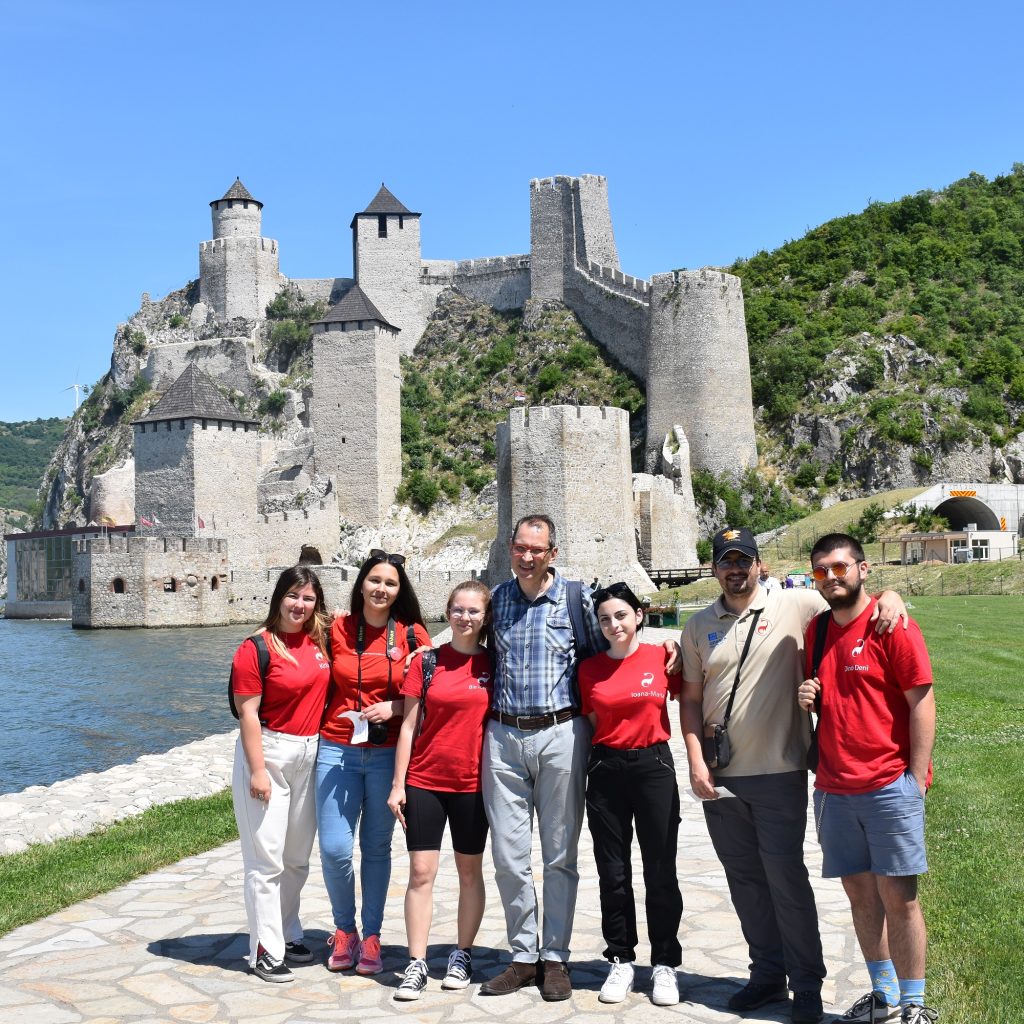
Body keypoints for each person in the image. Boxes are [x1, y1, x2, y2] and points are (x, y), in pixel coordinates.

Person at [680, 526, 908, 1024]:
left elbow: (850, 601)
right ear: (714, 569)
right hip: (721, 775)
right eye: (725, 562)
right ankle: (766, 974)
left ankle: (806, 983)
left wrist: (890, 595)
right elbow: (691, 700)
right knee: (745, 882)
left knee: (786, 880)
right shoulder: (698, 625)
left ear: (759, 565)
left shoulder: (796, 604)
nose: (735, 569)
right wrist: (695, 760)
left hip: (780, 770)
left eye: (743, 560)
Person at [480, 513, 680, 1001]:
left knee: (559, 854)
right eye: (520, 547)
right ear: (510, 548)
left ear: (553, 553)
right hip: (504, 735)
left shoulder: (575, 600)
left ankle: (555, 958)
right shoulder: (497, 600)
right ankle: (522, 957)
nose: (527, 557)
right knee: (508, 856)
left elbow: (606, 657)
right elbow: (471, 649)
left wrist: (665, 648)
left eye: (537, 549)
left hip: (560, 734)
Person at [798, 535, 937, 1024]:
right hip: (834, 788)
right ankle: (884, 995)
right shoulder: (817, 630)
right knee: (859, 895)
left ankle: (914, 1003)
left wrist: (914, 780)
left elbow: (922, 702)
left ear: (863, 568)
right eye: (821, 571)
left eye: (840, 567)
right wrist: (809, 696)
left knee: (900, 898)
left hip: (888, 784)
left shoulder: (891, 623)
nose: (831, 577)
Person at [316, 550, 431, 976]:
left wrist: (395, 707)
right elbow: (285, 633)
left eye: (391, 583)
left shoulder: (413, 634)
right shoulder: (337, 628)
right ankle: (344, 929)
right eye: (375, 580)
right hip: (337, 749)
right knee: (334, 849)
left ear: (400, 591)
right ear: (361, 583)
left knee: (376, 848)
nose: (381, 589)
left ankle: (372, 936)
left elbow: (432, 690)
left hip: (388, 755)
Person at [388, 580, 494, 1000]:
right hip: (425, 781)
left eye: (473, 611)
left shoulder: (495, 663)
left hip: (473, 785)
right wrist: (398, 784)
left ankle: (462, 954)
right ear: (448, 612)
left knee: (470, 872)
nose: (464, 617)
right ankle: (416, 962)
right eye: (458, 609)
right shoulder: (427, 661)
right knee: (420, 873)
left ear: (485, 617)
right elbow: (408, 725)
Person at [579, 582, 683, 1007]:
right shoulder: (589, 669)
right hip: (606, 769)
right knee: (613, 871)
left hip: (654, 766)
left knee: (660, 870)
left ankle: (665, 963)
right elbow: (591, 720)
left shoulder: (663, 656)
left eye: (621, 615)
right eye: (604, 619)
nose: (613, 624)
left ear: (638, 615)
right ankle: (621, 958)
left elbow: (691, 695)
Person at [230, 565, 332, 983]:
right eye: (293, 596)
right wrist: (257, 771)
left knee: (296, 858)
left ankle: (287, 932)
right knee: (265, 859)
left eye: (308, 598)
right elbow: (247, 714)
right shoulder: (255, 648)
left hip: (310, 752)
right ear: (278, 597)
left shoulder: (319, 640)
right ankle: (264, 950)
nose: (299, 605)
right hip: (270, 753)